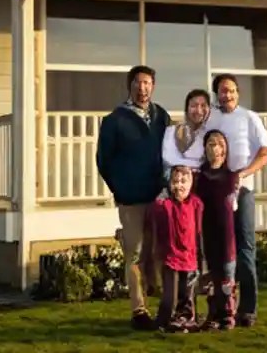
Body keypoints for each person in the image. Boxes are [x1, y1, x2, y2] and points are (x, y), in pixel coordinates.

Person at [95, 65, 172, 331]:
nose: (143, 88)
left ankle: (166, 307)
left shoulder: (161, 116)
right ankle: (139, 310)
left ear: (153, 86)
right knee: (135, 253)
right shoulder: (115, 120)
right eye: (138, 83)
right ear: (130, 86)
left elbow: (170, 152)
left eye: (148, 83)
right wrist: (120, 188)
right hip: (131, 200)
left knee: (160, 252)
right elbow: (104, 161)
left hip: (159, 197)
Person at [204, 73, 267, 327]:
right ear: (216, 94)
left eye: (231, 90)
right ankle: (221, 308)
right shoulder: (211, 116)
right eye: (222, 91)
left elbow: (265, 152)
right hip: (215, 192)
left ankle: (248, 308)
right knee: (217, 249)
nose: (227, 95)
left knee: (244, 248)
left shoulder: (249, 117)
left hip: (242, 192)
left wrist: (242, 174)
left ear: (238, 92)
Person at [194, 129, 241, 330]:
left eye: (219, 144)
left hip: (226, 233)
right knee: (213, 276)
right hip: (207, 232)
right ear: (205, 148)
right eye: (211, 143)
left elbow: (234, 204)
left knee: (227, 276)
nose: (215, 148)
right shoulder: (200, 177)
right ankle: (213, 315)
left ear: (225, 149)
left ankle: (228, 314)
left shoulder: (231, 177)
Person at [149, 165, 203, 333]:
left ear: (190, 183)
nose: (179, 186)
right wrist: (160, 198)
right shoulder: (166, 204)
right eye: (175, 181)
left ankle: (186, 318)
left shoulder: (195, 203)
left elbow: (199, 229)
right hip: (171, 256)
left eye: (183, 182)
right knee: (169, 295)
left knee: (187, 293)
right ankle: (165, 319)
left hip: (189, 256)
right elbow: (155, 214)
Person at [162, 89, 211, 174]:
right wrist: (197, 165)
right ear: (186, 109)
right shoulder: (171, 131)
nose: (199, 111)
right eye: (193, 106)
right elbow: (168, 159)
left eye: (203, 105)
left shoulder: (212, 136)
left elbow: (213, 163)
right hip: (177, 182)